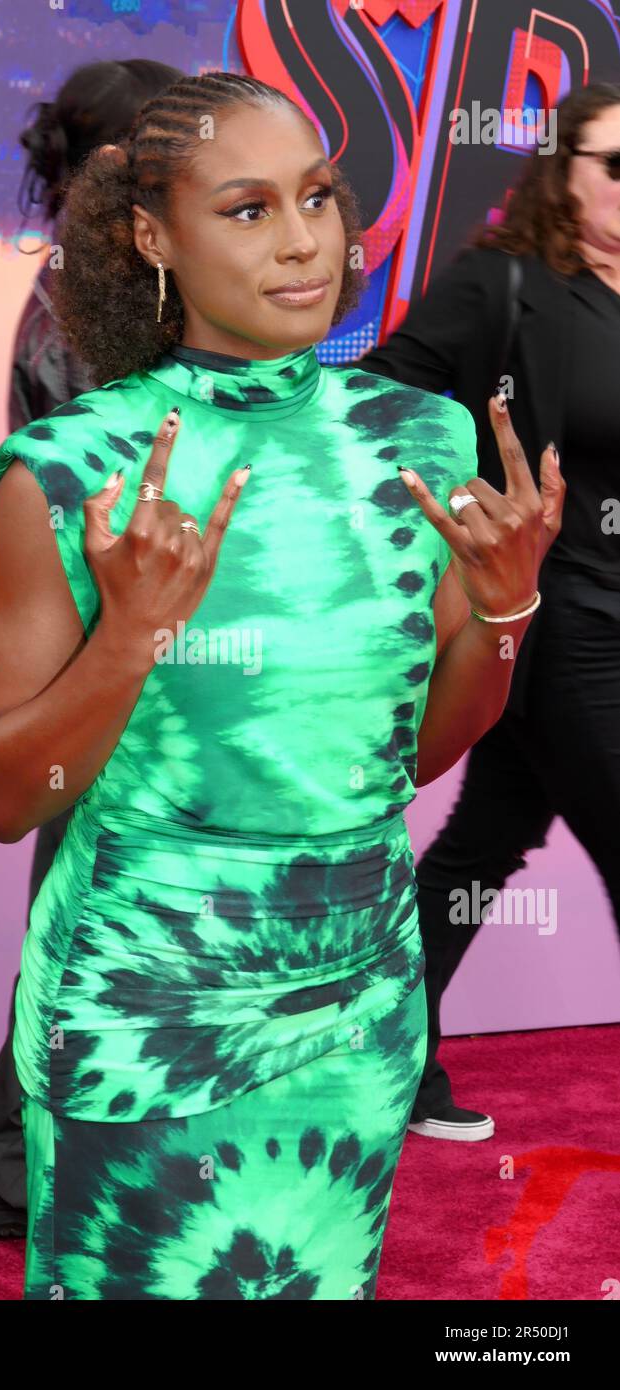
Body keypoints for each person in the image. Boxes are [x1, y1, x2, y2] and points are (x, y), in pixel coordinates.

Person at [0, 70, 563, 1300]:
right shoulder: (69, 467)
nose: (303, 244)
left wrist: (504, 609)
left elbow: (417, 758)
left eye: (320, 199)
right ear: (152, 236)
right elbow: (4, 797)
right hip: (143, 1006)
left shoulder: (424, 439)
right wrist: (129, 637)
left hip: (358, 1000)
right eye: (247, 210)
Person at [0, 58, 183, 1240]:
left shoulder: (107, 296)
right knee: (87, 925)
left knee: (91, 923)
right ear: (109, 171)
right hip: (104, 665)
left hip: (124, 656)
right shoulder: (89, 315)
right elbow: (119, 493)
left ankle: (8, 1168)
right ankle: (3, 1171)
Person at [357, 81, 619, 1143]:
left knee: (481, 846)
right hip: (555, 624)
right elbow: (378, 402)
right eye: (617, 164)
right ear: (563, 169)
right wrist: (469, 515)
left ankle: (385, 1061)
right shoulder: (502, 286)